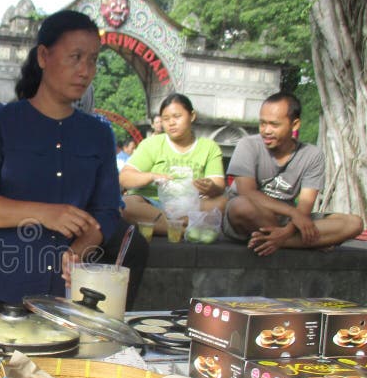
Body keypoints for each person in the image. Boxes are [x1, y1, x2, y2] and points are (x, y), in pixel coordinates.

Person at [0, 10, 121, 313]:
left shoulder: (98, 134)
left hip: (64, 292)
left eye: (93, 60)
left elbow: (108, 210)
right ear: (44, 57)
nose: (85, 70)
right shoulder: (1, 122)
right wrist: (45, 213)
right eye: (75, 57)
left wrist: (80, 249)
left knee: (61, 363)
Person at [222, 92, 363, 255]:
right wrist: (293, 213)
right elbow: (247, 192)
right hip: (252, 216)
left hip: (290, 222)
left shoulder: (312, 155)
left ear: (294, 125)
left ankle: (281, 241)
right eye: (262, 123)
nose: (266, 130)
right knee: (241, 206)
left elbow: (304, 206)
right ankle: (305, 243)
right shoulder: (247, 145)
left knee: (353, 223)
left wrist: (287, 231)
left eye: (274, 125)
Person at [119, 93, 226, 235]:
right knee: (126, 205)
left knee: (224, 203)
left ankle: (171, 225)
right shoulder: (152, 144)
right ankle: (178, 229)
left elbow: (218, 185)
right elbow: (125, 178)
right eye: (166, 119)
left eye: (177, 117)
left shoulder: (209, 147)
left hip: (191, 207)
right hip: (153, 206)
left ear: (192, 116)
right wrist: (152, 176)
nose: (171, 123)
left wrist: (210, 186)